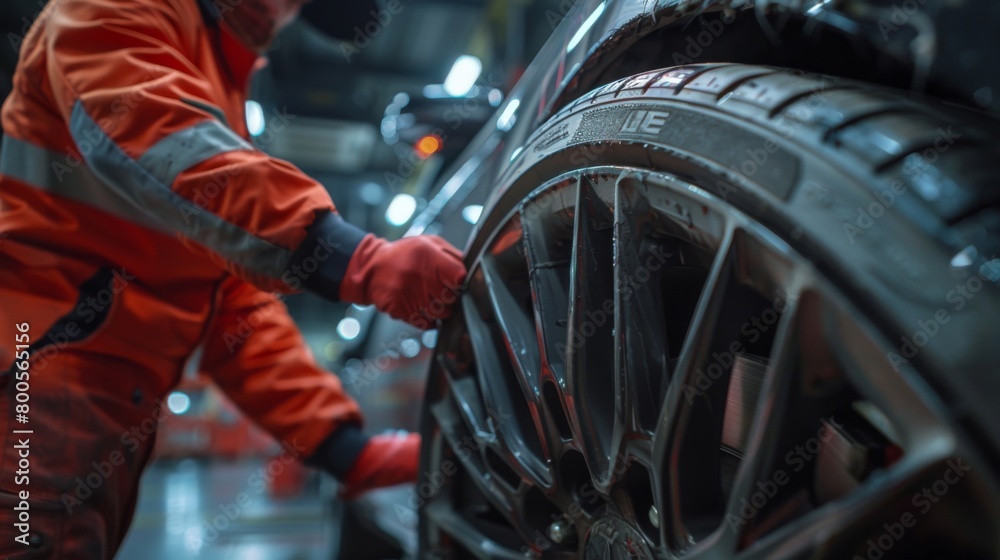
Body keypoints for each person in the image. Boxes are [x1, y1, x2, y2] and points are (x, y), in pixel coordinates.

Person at [0, 0, 467, 557]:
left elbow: (233, 310)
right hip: (30, 378)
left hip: (98, 400)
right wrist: (350, 257)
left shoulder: (218, 86)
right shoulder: (109, 10)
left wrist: (344, 451)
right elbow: (162, 139)